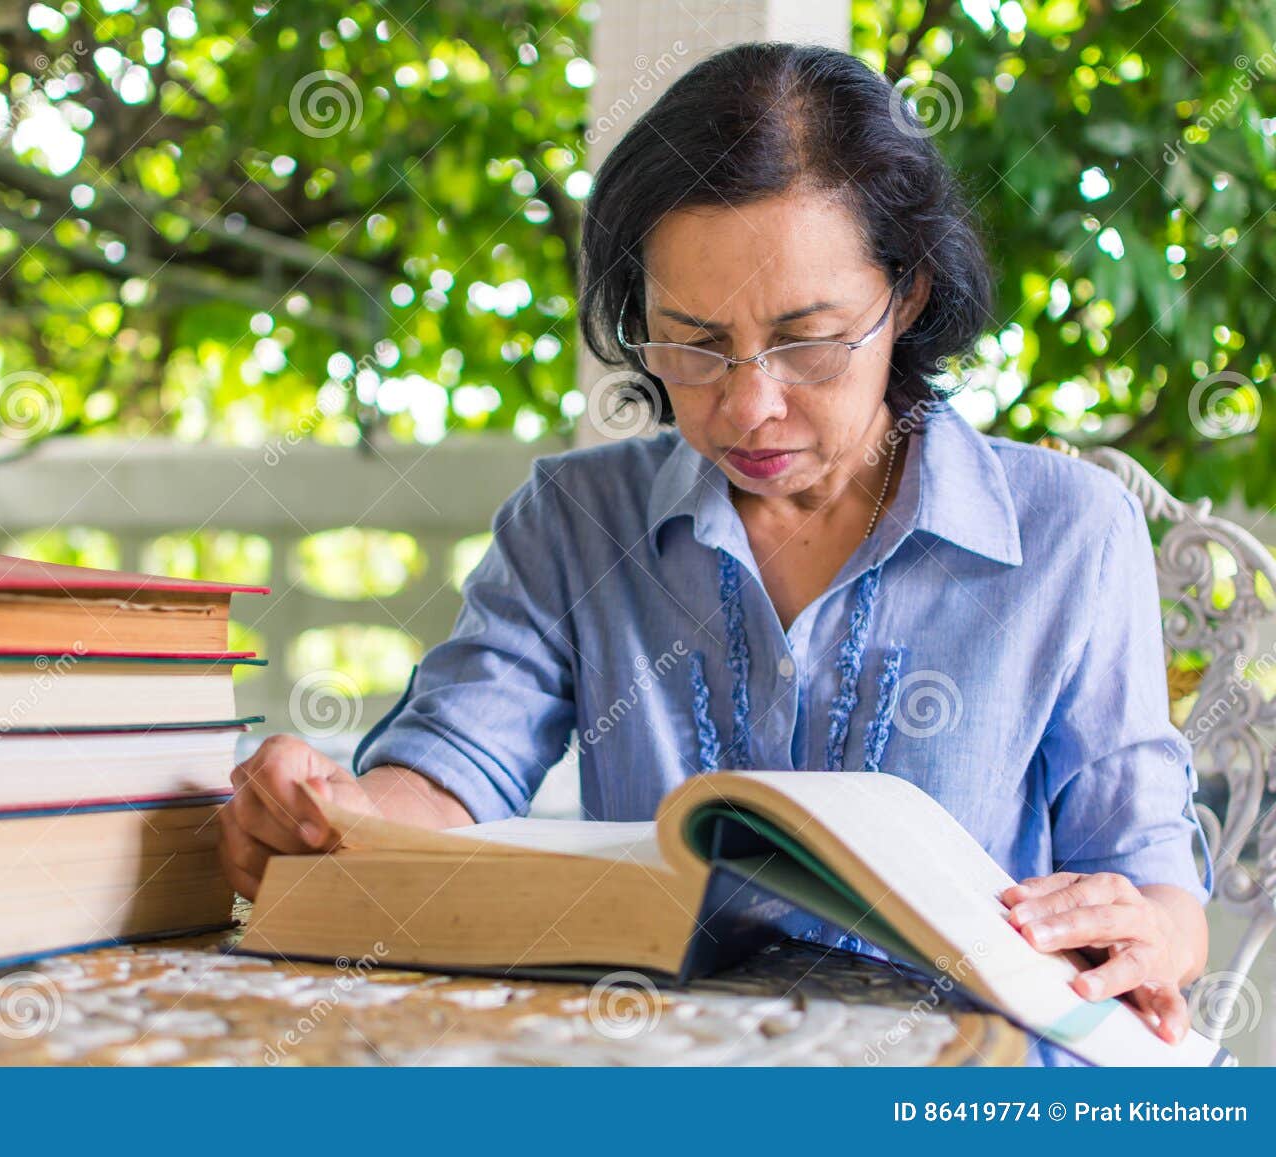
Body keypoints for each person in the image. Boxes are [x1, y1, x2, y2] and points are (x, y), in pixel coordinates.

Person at [221, 41, 1210, 1047]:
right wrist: (332, 811)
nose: (747, 407)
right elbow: (454, 764)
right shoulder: (579, 519)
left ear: (906, 293)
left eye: (806, 341)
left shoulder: (1068, 529)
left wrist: (1153, 931)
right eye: (692, 343)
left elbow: (1152, 873)